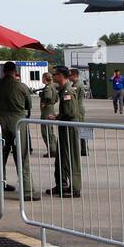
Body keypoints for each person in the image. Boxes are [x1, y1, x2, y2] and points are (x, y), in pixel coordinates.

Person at [0, 61, 36, 199]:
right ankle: (27, 190)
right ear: (14, 71)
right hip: (17, 122)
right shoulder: (22, 87)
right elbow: (29, 105)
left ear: (3, 71)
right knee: (22, 156)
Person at [48, 66, 83, 197]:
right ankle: (61, 185)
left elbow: (70, 112)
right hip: (64, 126)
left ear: (62, 75)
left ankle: (75, 188)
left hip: (69, 128)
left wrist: (58, 117)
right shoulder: (63, 89)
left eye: (55, 74)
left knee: (71, 157)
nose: (53, 76)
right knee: (61, 157)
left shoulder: (68, 91)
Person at [39, 72, 59, 160]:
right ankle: (53, 149)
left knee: (46, 131)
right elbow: (56, 98)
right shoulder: (53, 86)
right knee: (49, 131)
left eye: (42, 78)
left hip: (47, 110)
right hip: (51, 108)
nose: (42, 79)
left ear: (45, 78)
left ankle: (52, 150)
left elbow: (48, 97)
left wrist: (45, 103)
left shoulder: (48, 87)